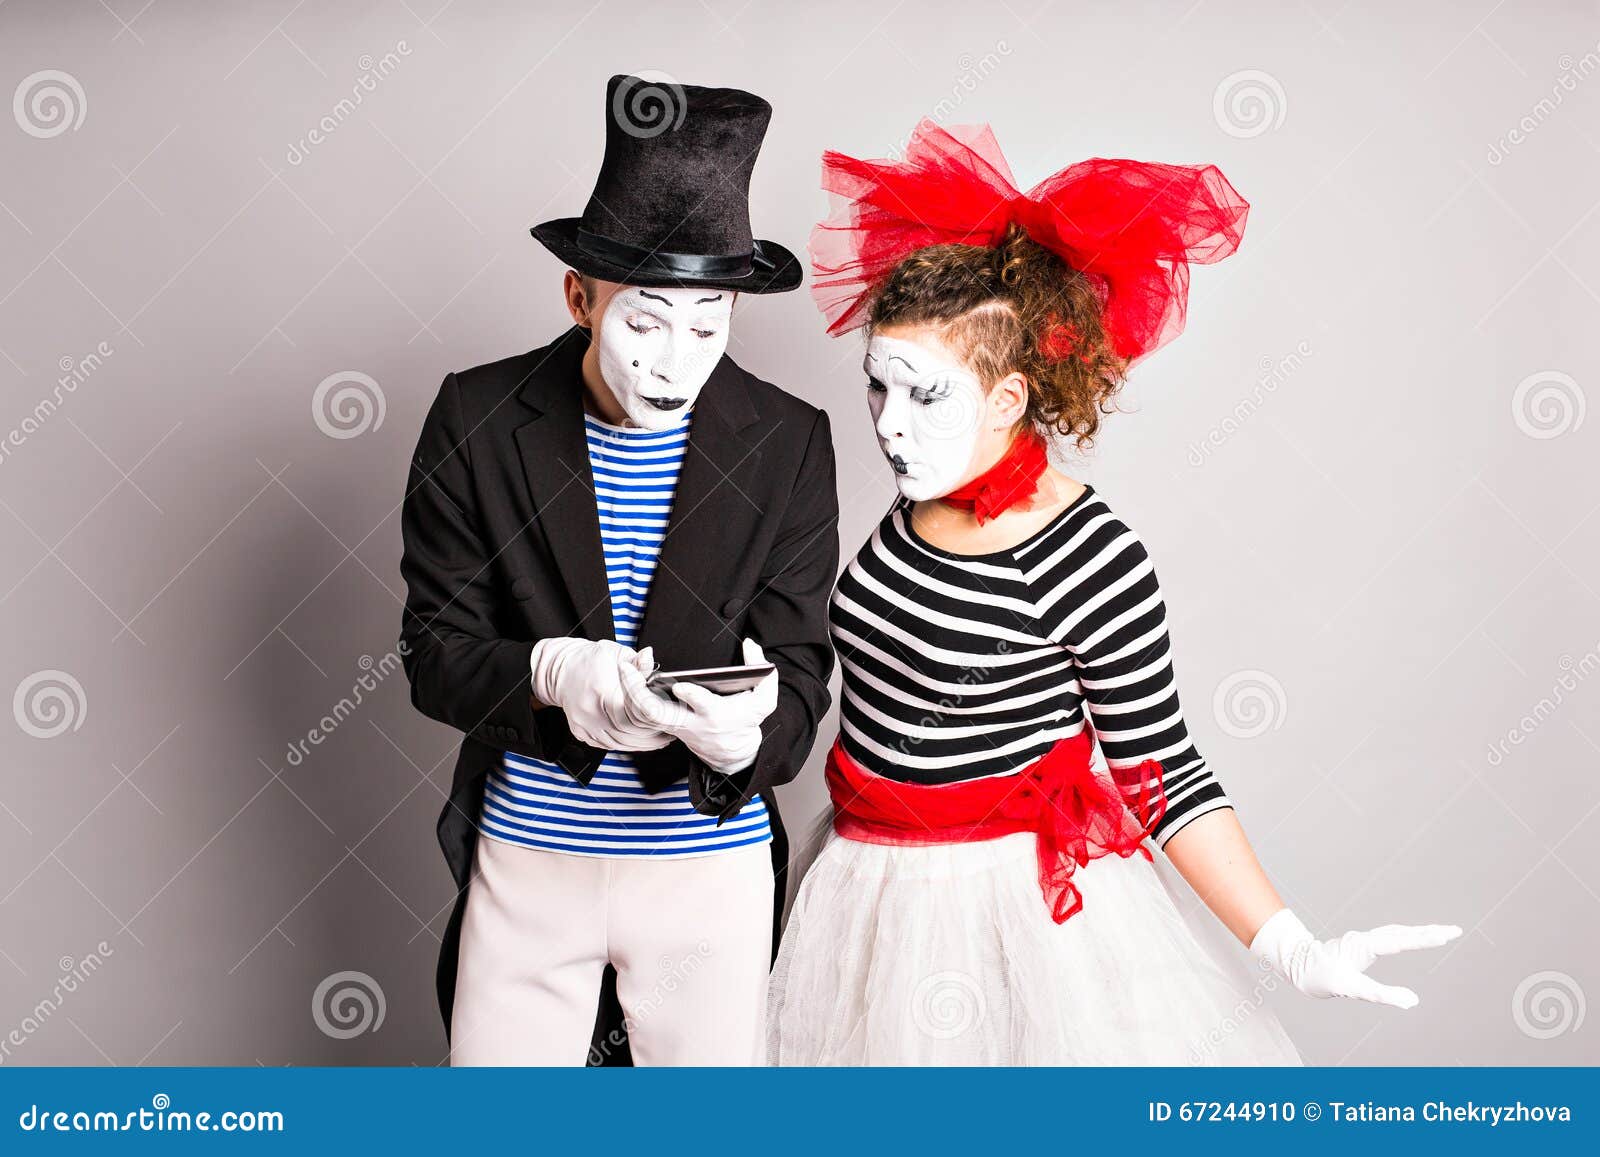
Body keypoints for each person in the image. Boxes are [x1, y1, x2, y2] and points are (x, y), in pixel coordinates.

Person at [765, 121, 1460, 1065]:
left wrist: (1290, 946)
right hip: (858, 890)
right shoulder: (915, 496)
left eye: (926, 395)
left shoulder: (1088, 555)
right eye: (879, 389)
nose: (891, 426)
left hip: (1004, 924)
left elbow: (1163, 770)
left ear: (1009, 399)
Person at [398, 74, 837, 1066]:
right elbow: (434, 651)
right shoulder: (474, 418)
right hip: (529, 861)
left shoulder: (789, 443)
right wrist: (546, 673)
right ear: (579, 297)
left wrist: (748, 737)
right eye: (645, 322)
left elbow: (804, 679)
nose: (678, 363)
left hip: (707, 871)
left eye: (709, 322)